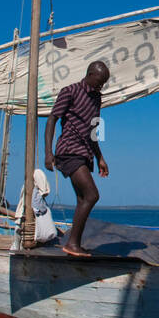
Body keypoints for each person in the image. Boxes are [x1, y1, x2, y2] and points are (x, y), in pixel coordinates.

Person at [45, 61, 110, 256]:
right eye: (98, 82)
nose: (100, 87)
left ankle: (74, 243)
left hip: (85, 153)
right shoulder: (70, 91)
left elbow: (93, 131)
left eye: (103, 84)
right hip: (68, 150)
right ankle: (72, 243)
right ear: (89, 74)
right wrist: (48, 152)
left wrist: (100, 157)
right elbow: (52, 119)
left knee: (83, 198)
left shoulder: (97, 99)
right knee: (92, 195)